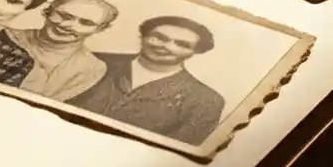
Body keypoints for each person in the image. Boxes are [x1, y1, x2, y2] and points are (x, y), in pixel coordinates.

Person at [68, 16, 225, 145]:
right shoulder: (92, 61)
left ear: (195, 52)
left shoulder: (206, 100)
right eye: (159, 38)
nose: (166, 47)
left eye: (182, 44)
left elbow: (170, 156)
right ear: (143, 36)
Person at [11, 0, 118, 101]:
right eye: (64, 16)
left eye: (86, 23)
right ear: (48, 12)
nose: (68, 26)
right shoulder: (7, 37)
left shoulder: (92, 67)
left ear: (99, 29)